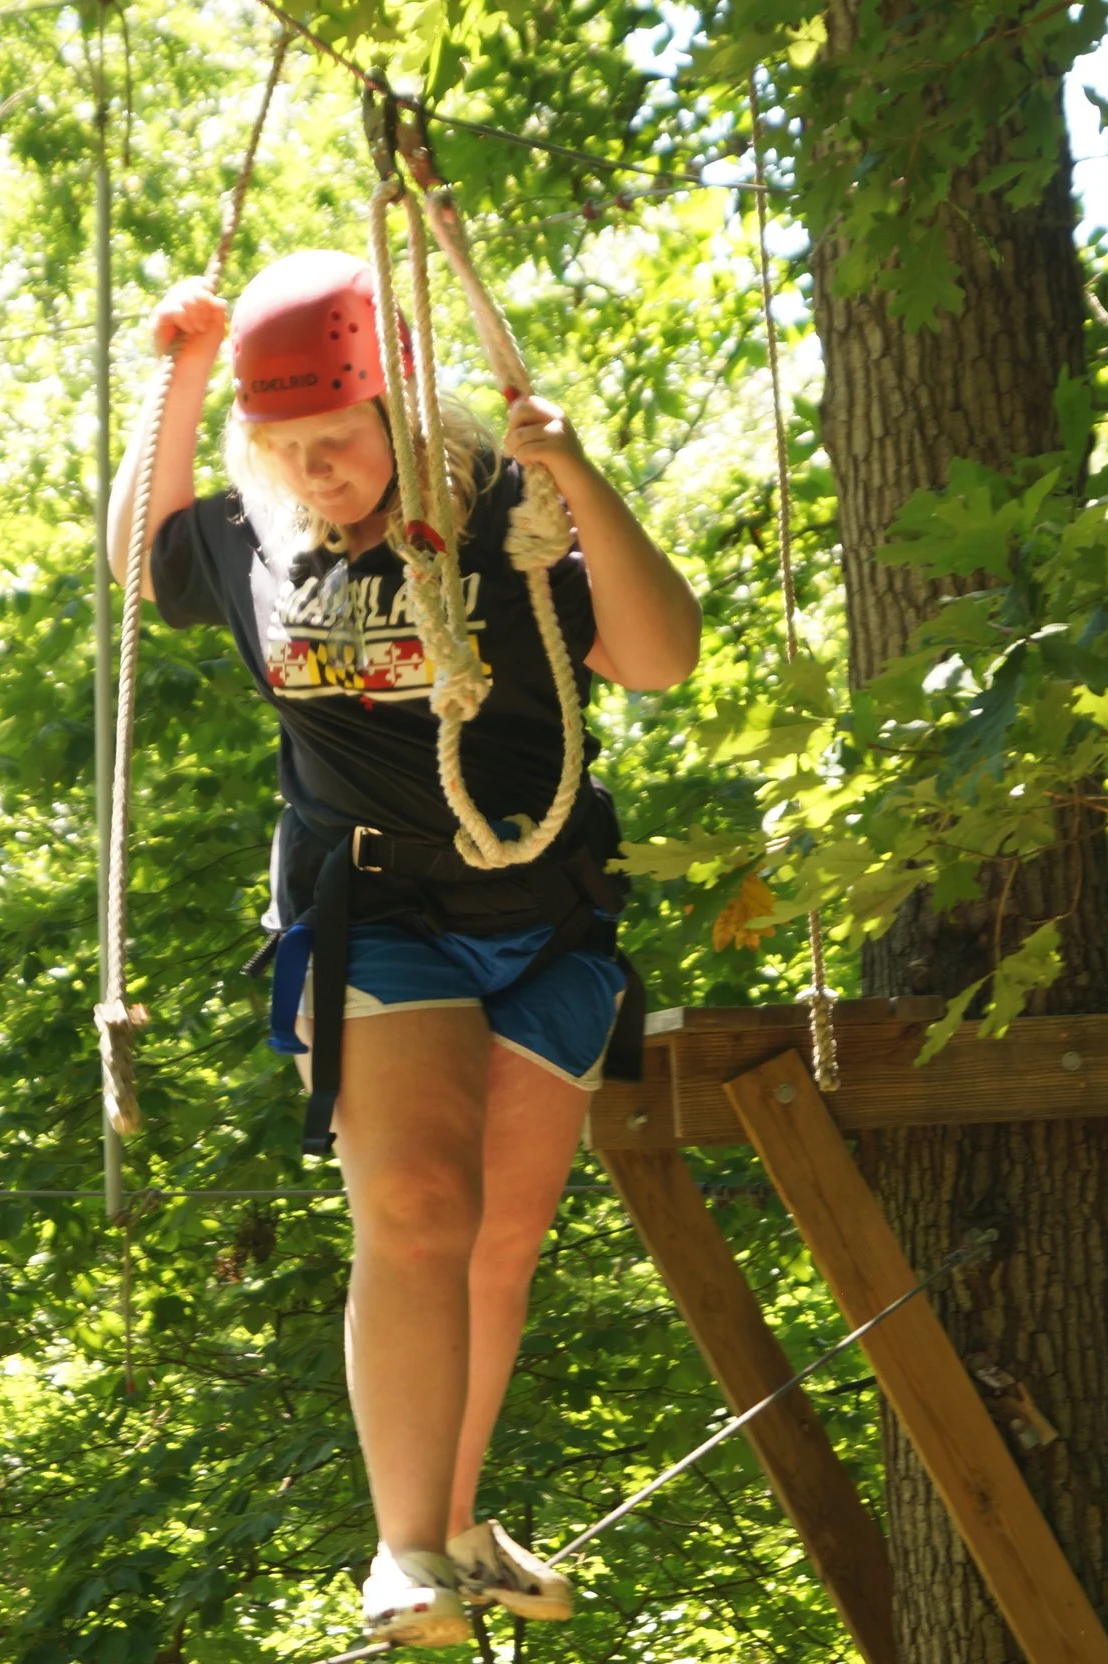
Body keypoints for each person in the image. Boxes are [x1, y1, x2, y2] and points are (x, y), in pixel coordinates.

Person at [108, 249, 699, 1648]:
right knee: (421, 1209)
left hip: (544, 909)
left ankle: (458, 1524)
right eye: (290, 448)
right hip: (380, 918)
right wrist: (185, 372)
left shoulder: (507, 512)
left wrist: (580, 475)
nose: (320, 473)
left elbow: (661, 654)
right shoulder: (259, 540)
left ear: (404, 407)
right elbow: (145, 557)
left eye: (343, 441)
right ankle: (402, 1554)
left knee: (502, 1242)